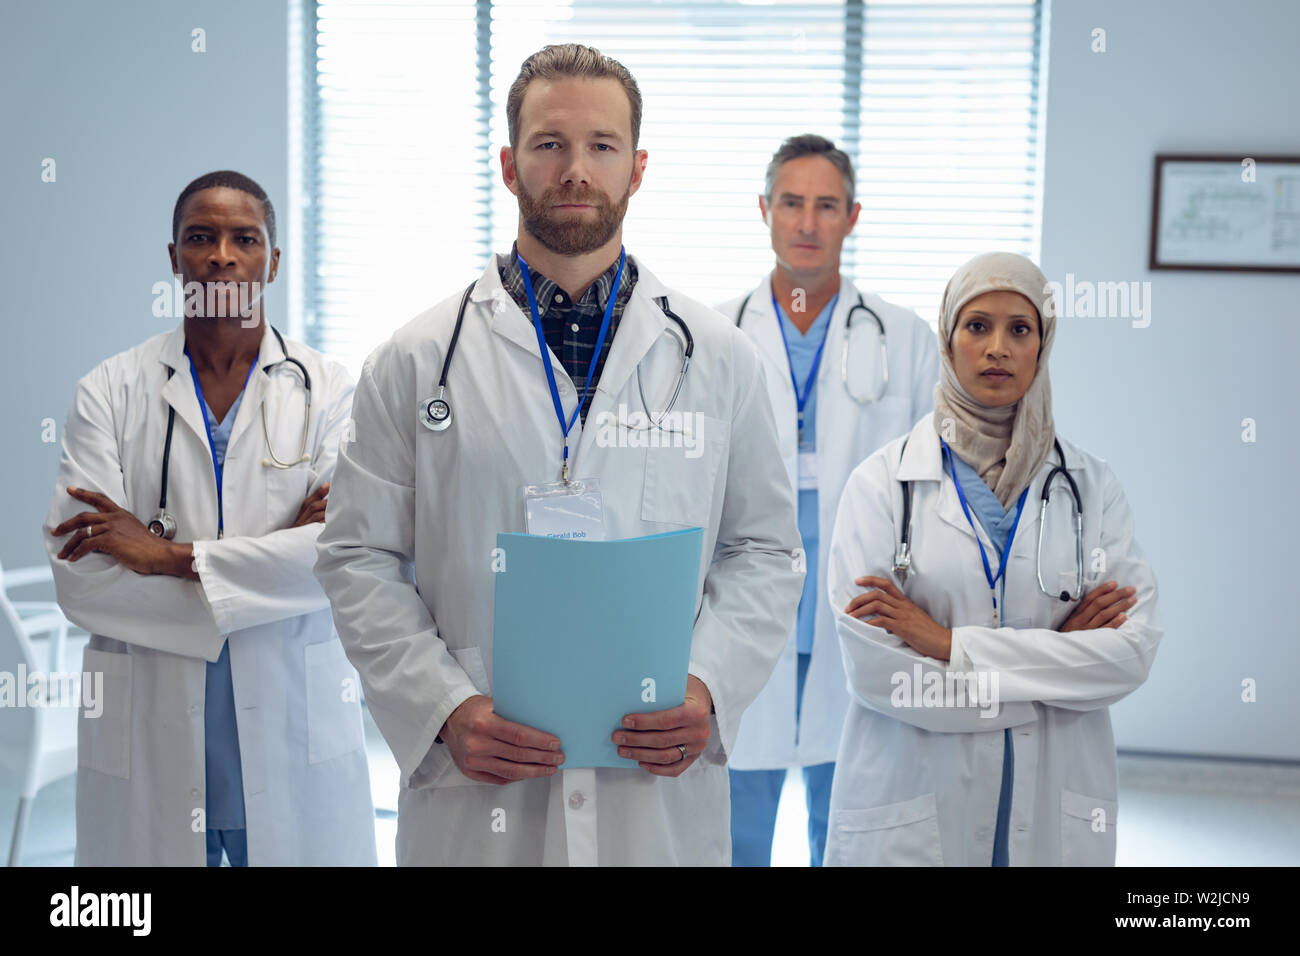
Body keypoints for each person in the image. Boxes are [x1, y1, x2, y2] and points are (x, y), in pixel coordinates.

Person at [313, 43, 803, 866]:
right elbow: (358, 556)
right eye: (550, 145)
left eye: (602, 146)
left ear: (638, 168)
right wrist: (442, 707)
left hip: (648, 776)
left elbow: (763, 548)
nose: (576, 170)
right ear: (509, 165)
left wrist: (708, 687)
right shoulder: (415, 359)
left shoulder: (718, 359)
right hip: (484, 774)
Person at [44, 171, 376, 866]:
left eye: (243, 239)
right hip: (153, 740)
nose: (221, 255)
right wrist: (278, 559)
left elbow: (343, 558)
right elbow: (82, 582)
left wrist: (168, 557)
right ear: (173, 258)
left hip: (291, 733)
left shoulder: (330, 391)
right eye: (201, 237)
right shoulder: (110, 391)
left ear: (272, 261)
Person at [823, 251, 1162, 866]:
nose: (998, 347)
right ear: (949, 341)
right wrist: (1058, 673)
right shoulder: (880, 485)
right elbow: (878, 676)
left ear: (1043, 344)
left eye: (1020, 329)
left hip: (1050, 803)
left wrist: (947, 645)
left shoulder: (1092, 485)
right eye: (978, 326)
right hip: (916, 802)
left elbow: (1130, 656)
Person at [717, 134, 938, 867]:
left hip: (862, 595)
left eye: (826, 205)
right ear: (764, 211)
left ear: (852, 216)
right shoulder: (713, 336)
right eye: (791, 202)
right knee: (734, 809)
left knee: (848, 810)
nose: (807, 222)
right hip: (747, 593)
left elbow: (934, 477)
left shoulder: (904, 338)